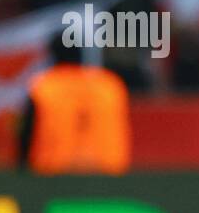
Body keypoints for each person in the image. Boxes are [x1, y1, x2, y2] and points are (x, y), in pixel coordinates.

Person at [18, 33, 131, 174]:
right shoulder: (110, 85)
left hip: (53, 176)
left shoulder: (43, 86)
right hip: (108, 174)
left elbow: (26, 134)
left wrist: (22, 171)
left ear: (52, 55)